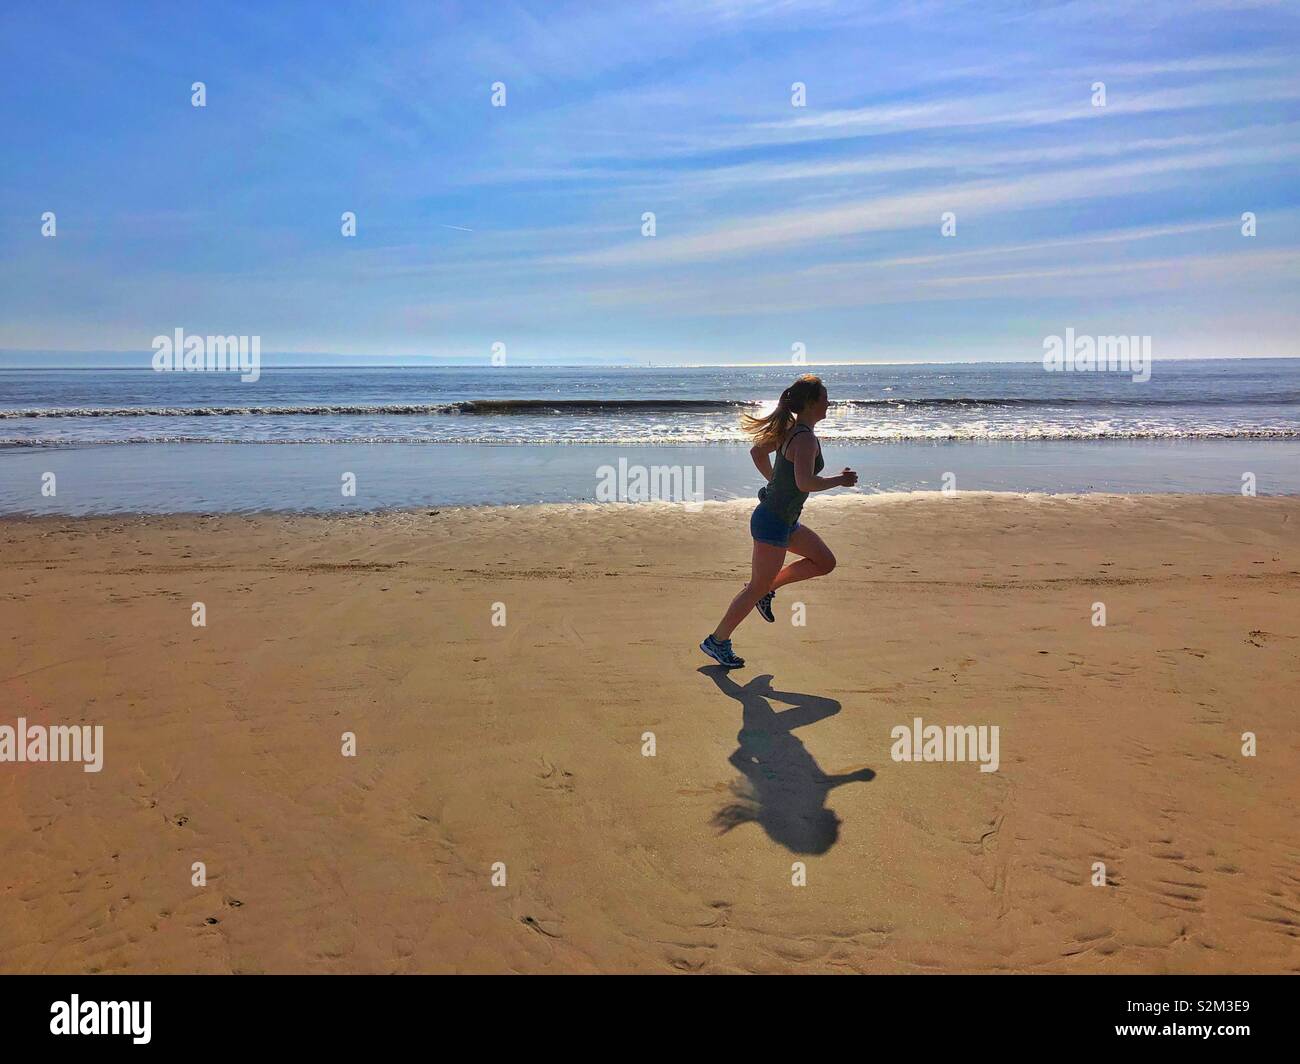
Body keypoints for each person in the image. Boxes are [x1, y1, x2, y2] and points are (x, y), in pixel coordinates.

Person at [700, 375, 857, 668]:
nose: (828, 403)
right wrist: (840, 480)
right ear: (811, 403)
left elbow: (757, 452)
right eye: (824, 398)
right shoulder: (805, 438)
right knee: (754, 588)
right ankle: (717, 641)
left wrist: (775, 482)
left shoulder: (792, 431)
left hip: (784, 520)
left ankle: (768, 588)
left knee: (824, 562)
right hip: (772, 522)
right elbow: (805, 482)